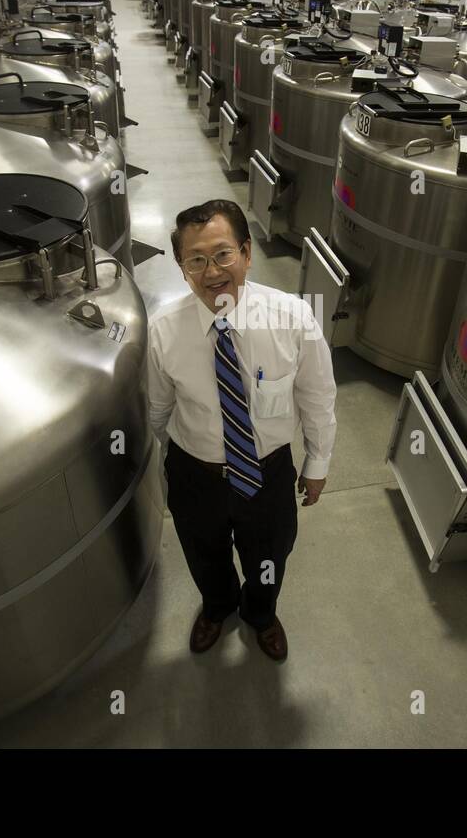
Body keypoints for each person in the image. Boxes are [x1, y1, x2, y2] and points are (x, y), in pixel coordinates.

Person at [147, 200, 337, 662]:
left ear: (247, 254)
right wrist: (156, 475)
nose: (212, 272)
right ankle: (217, 607)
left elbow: (316, 395)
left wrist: (317, 463)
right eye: (196, 260)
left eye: (223, 254)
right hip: (196, 473)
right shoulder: (163, 332)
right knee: (202, 553)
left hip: (267, 472)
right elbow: (155, 412)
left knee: (269, 558)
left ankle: (260, 613)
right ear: (182, 268)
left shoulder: (292, 319)